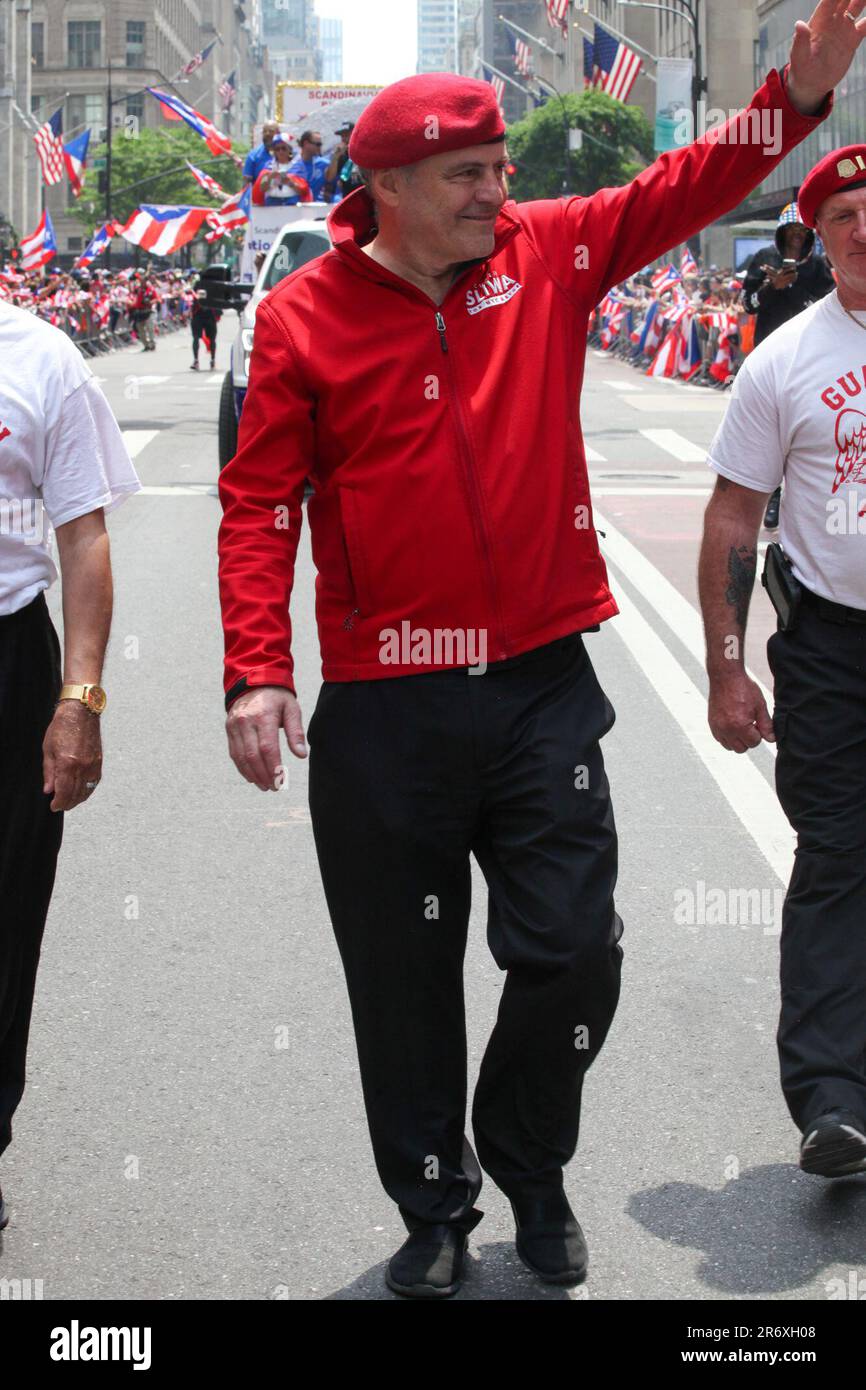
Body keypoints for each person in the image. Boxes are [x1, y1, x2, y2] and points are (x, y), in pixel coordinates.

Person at [218, 3, 856, 1300]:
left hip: (539, 687)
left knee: (573, 950)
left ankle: (527, 1154)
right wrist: (256, 665)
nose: (496, 190)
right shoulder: (299, 320)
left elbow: (688, 180)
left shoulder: (548, 253)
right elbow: (255, 503)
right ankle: (434, 1204)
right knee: (402, 983)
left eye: (502, 167)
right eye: (466, 174)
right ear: (386, 187)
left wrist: (787, 103)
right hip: (385, 704)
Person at [699, 138, 866, 1184]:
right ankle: (830, 1098)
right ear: (820, 236)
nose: (865, 227)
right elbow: (730, 519)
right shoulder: (784, 361)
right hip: (830, 648)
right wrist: (724, 667)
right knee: (837, 857)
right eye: (843, 215)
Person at [0, 299, 141, 1230]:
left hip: (8, 662)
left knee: (6, 921)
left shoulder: (44, 359)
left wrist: (77, 701)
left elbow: (83, 536)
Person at [744, 201, 836, 527]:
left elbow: (828, 306)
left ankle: (799, 497)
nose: (796, 240)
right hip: (768, 355)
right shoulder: (763, 260)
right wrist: (771, 287)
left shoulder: (818, 268)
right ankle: (771, 495)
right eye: (791, 234)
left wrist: (794, 287)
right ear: (781, 235)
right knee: (768, 431)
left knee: (804, 430)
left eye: (802, 234)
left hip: (809, 357)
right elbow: (748, 304)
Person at [251, 133, 312, 207]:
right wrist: (269, 178)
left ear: (289, 150)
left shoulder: (298, 166)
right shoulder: (268, 166)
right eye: (277, 149)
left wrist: (289, 182)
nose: (280, 151)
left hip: (292, 202)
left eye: (283, 148)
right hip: (272, 202)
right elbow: (261, 189)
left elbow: (303, 190)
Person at [286, 130, 331, 202]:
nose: (320, 147)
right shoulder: (291, 164)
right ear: (306, 143)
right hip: (296, 208)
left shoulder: (324, 164)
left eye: (320, 144)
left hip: (317, 207)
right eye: (317, 144)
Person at [243, 120, 280, 188]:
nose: (267, 134)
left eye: (271, 131)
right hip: (260, 196)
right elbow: (246, 184)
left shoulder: (288, 152)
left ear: (278, 133)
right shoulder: (253, 156)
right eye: (264, 131)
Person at [129, 272, 158, 352]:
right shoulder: (138, 289)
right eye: (140, 281)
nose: (141, 283)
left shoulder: (151, 289)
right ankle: (146, 345)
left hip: (148, 311)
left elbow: (156, 298)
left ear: (146, 281)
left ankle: (152, 344)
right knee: (140, 329)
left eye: (143, 281)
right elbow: (131, 291)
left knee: (150, 328)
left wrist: (150, 302)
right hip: (139, 311)